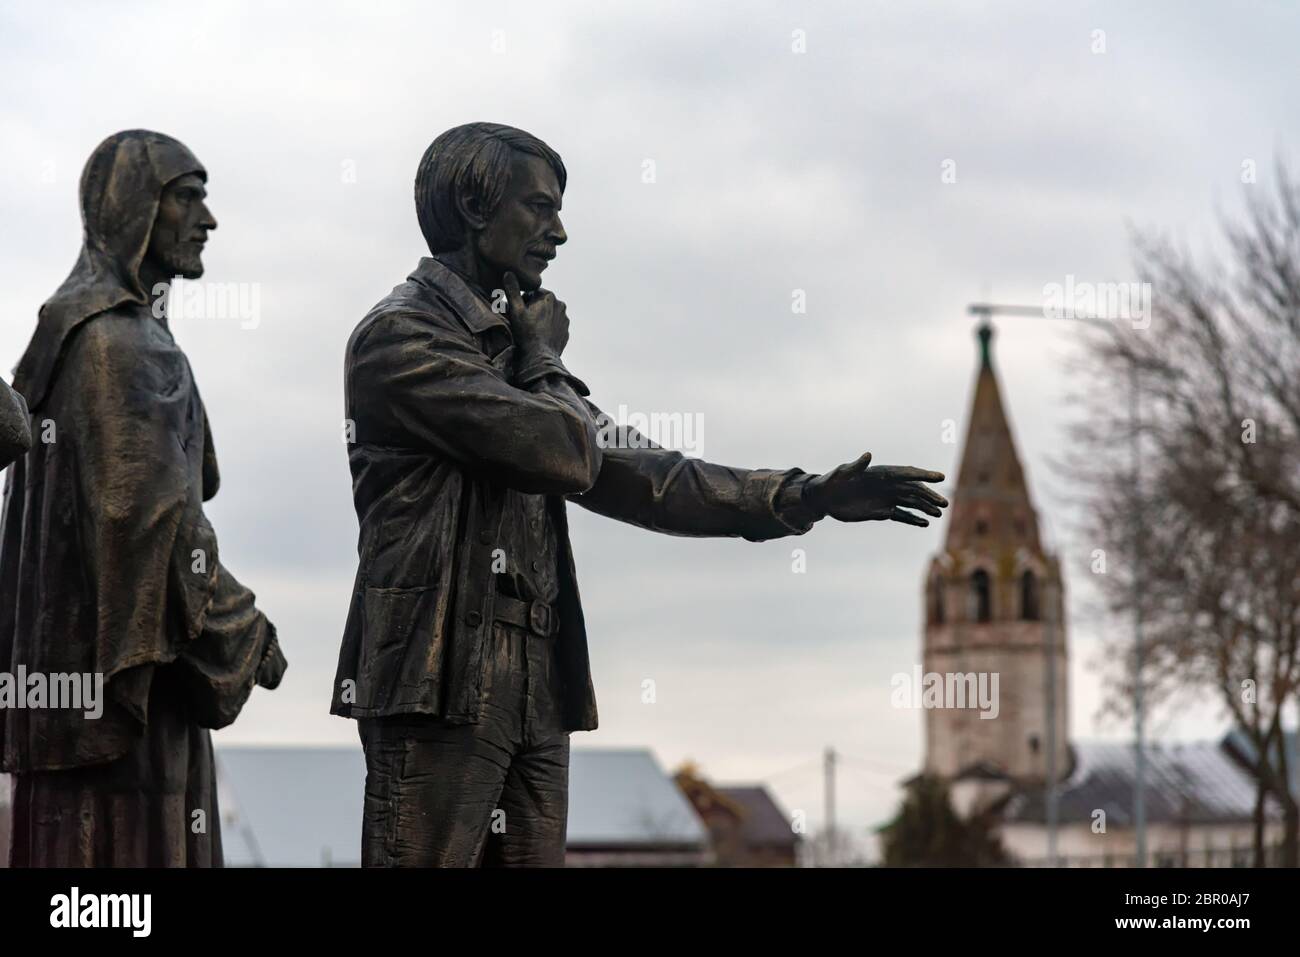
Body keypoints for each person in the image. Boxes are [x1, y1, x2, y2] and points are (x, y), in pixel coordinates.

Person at [333, 123, 949, 867]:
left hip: (533, 674)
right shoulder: (401, 340)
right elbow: (560, 452)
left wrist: (802, 495)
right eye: (540, 207)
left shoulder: (515, 360)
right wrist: (545, 355)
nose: (558, 233)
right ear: (472, 205)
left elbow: (652, 479)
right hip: (439, 680)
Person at [0, 130, 286, 867]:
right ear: (134, 209)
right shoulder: (120, 345)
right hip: (136, 692)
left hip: (70, 695)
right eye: (187, 197)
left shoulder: (73, 337)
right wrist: (243, 627)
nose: (208, 219)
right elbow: (149, 520)